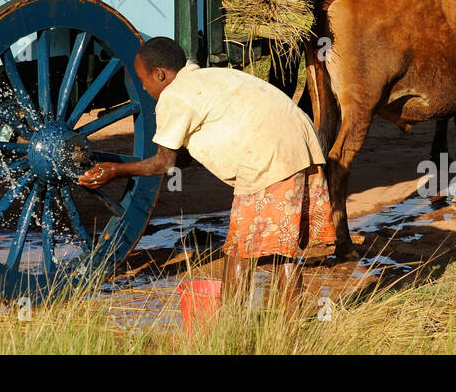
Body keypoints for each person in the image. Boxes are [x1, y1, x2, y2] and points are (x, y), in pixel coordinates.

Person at [78, 37, 335, 314]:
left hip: (267, 156)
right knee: (282, 249)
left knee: (239, 252)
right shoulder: (209, 77)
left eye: (143, 80)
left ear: (160, 74)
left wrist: (115, 170)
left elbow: (165, 164)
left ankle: (228, 327)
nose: (143, 87)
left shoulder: (173, 96)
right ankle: (289, 328)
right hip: (301, 142)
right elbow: (180, 158)